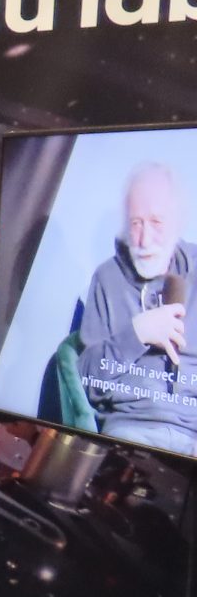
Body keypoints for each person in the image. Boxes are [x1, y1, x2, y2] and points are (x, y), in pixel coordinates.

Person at [77, 162, 197, 455]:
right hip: (131, 432)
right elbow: (85, 382)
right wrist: (137, 333)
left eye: (156, 222)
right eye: (135, 223)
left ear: (177, 222)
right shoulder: (107, 277)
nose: (144, 240)